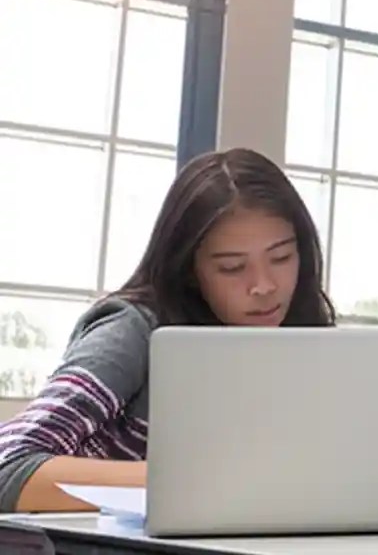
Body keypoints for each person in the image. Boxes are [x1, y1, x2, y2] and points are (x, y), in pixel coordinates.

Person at [0, 148, 335, 513]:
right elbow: (8, 466)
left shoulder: (308, 344)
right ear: (190, 271)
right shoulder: (130, 331)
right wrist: (201, 483)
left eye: (282, 258)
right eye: (232, 268)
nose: (264, 285)